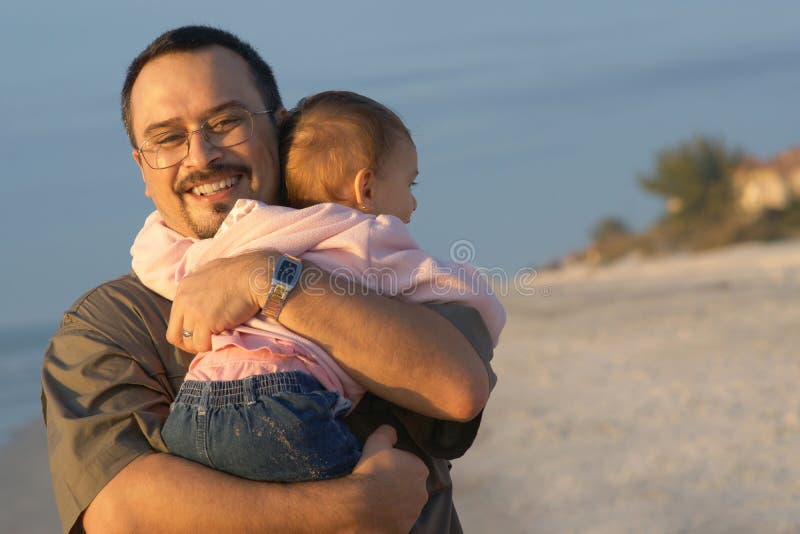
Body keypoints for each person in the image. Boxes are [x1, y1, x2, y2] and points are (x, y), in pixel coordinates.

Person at [41, 26, 496, 533]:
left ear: (279, 129)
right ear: (142, 168)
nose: (201, 156)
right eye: (167, 139)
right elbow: (118, 514)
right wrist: (353, 508)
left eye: (226, 122)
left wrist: (269, 280)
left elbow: (458, 389)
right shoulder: (108, 324)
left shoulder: (367, 255)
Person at [129, 90, 505, 483]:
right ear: (366, 189)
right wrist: (487, 311)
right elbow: (442, 286)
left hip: (194, 405)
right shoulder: (368, 235)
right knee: (369, 485)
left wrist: (161, 217)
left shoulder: (248, 226)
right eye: (410, 185)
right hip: (283, 399)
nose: (413, 205)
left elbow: (155, 258)